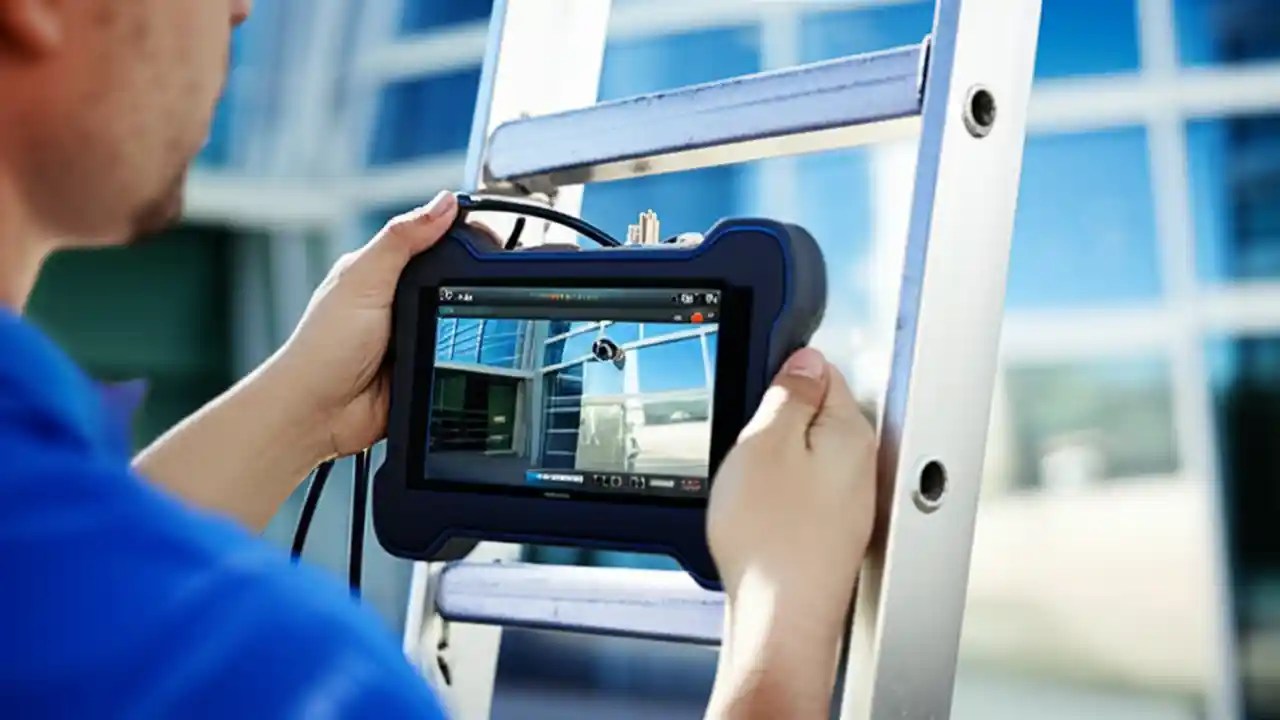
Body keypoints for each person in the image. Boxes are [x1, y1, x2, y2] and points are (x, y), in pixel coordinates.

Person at [0, 1, 877, 718]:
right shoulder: (284, 682)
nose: (240, 11)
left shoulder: (60, 585)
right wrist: (782, 630)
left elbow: (68, 599)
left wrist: (304, 405)